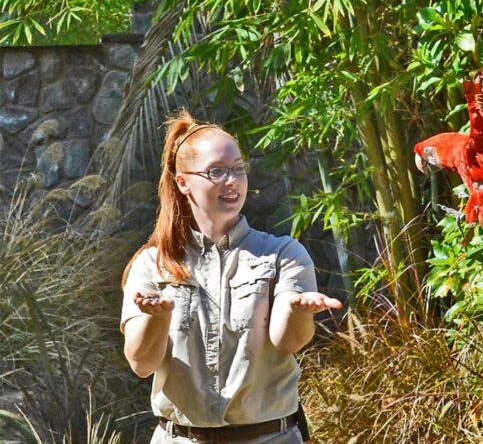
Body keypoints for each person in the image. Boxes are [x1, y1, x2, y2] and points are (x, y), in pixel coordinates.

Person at [120, 110, 342, 443]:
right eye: (217, 171)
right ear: (183, 183)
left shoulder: (283, 253)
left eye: (238, 169)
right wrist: (158, 318)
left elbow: (288, 341)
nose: (232, 181)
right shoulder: (154, 263)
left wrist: (298, 310)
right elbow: (141, 363)